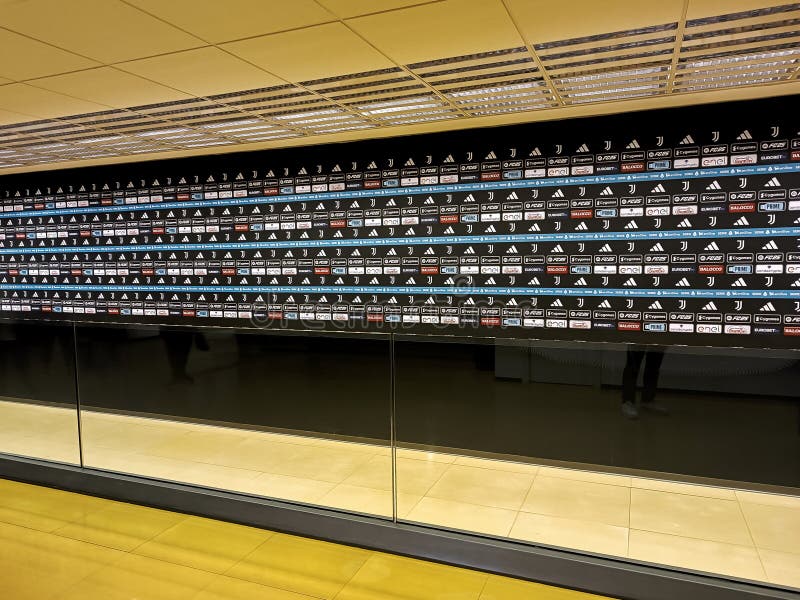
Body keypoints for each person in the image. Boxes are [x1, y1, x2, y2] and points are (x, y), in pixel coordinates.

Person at [621, 345, 667, 419]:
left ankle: (648, 399)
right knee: (633, 364)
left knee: (654, 365)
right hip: (638, 336)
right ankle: (628, 401)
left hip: (659, 335)